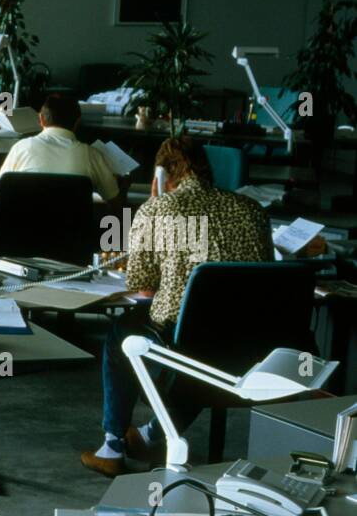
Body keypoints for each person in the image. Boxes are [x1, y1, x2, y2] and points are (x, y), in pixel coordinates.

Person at [80, 136, 273, 477]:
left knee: (120, 334)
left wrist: (154, 212)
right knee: (205, 340)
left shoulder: (159, 209)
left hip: (185, 344)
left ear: (161, 174)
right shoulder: (251, 210)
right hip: (248, 346)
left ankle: (112, 446)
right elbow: (264, 271)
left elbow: (139, 278)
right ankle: (150, 435)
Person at [0, 94, 126, 207]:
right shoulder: (91, 154)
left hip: (21, 230)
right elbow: (114, 202)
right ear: (77, 122)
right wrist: (123, 186)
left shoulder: (21, 147)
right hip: (74, 231)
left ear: (41, 119)